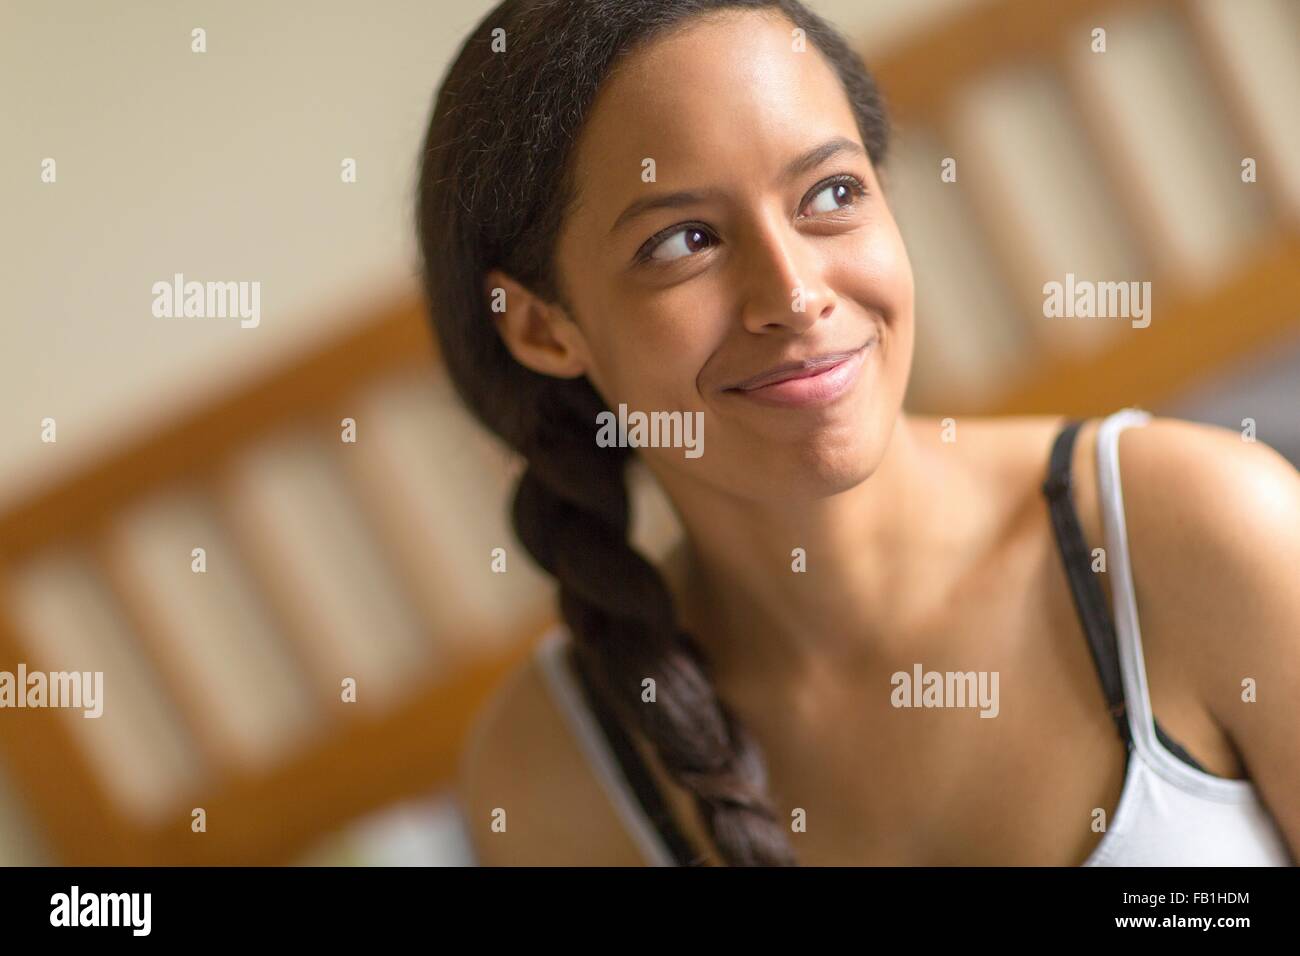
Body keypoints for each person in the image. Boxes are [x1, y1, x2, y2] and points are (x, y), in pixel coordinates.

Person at [414, 0, 1300, 865]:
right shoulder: (552, 771)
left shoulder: (1199, 532)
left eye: (831, 192)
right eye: (683, 241)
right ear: (540, 327)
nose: (795, 294)